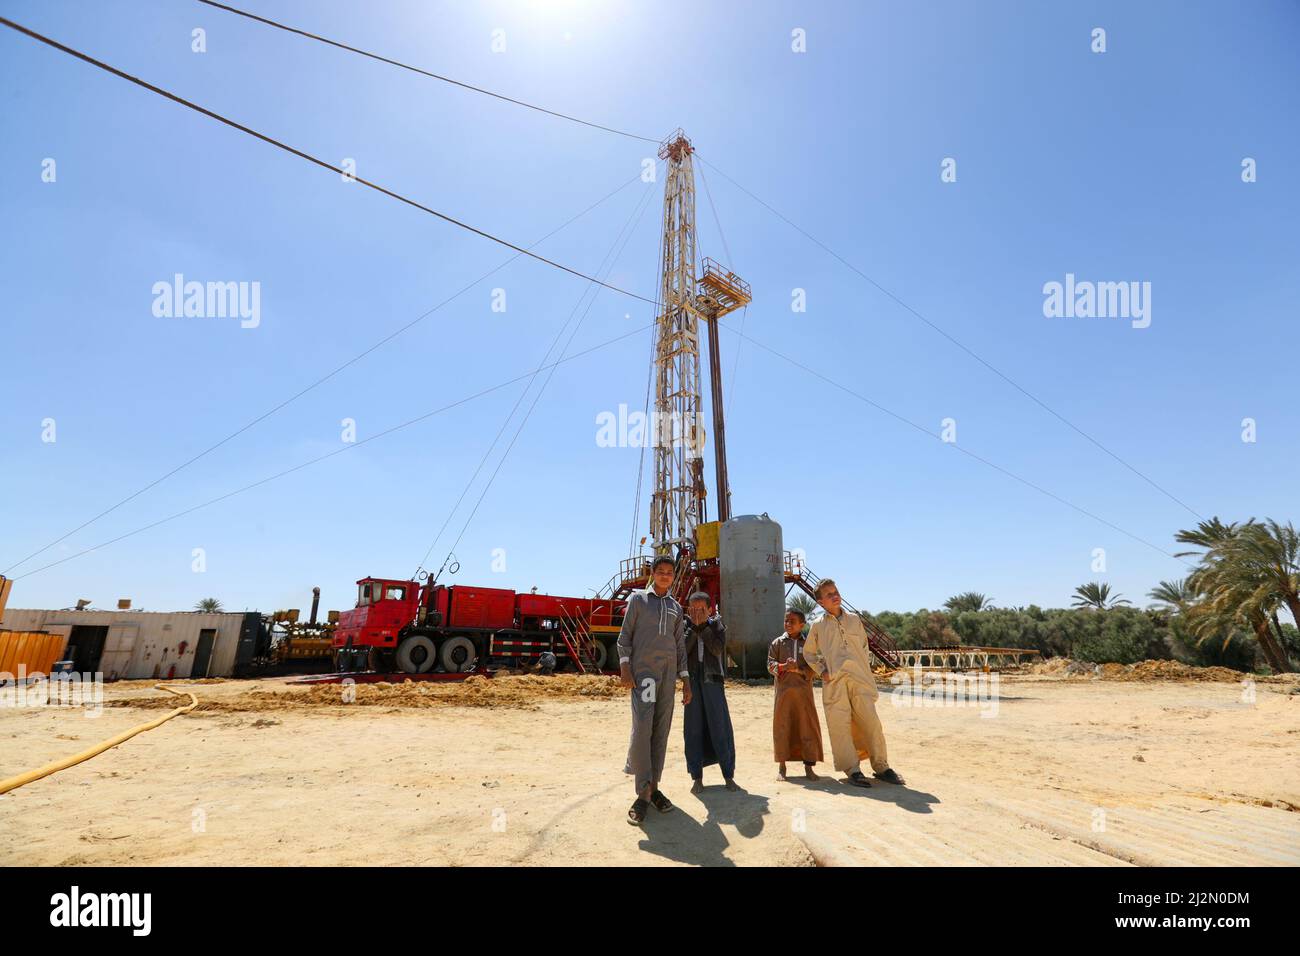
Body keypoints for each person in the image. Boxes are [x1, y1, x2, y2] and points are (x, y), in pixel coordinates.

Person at [803, 579, 905, 788]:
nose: (834, 595)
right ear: (821, 602)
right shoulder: (818, 626)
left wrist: (862, 669)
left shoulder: (854, 620)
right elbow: (808, 653)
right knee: (839, 726)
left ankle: (882, 767)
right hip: (835, 683)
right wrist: (822, 671)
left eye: (836, 591)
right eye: (829, 594)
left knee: (872, 723)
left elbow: (864, 647)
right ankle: (853, 770)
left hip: (860, 680)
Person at [617, 555, 691, 825]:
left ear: (673, 576)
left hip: (668, 678)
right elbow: (624, 638)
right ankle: (642, 793)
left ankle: (655, 787)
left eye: (669, 572)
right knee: (643, 728)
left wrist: (685, 679)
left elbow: (680, 646)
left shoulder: (675, 607)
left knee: (661, 731)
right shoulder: (638, 600)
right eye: (659, 571)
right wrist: (626, 668)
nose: (664, 576)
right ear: (653, 574)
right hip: (645, 677)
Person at [681, 592, 738, 794]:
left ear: (710, 610)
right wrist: (694, 628)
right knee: (693, 730)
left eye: (701, 610)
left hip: (713, 682)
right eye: (693, 610)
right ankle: (697, 778)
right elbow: (683, 651)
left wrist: (703, 627)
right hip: (692, 683)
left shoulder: (717, 626)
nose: (697, 613)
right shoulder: (684, 628)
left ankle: (728, 776)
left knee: (720, 727)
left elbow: (716, 649)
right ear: (688, 610)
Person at [768, 609, 823, 780]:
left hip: (803, 695)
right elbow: (770, 665)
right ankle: (782, 767)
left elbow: (813, 668)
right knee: (782, 727)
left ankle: (809, 768)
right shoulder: (777, 643)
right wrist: (783, 667)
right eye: (786, 621)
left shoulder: (807, 644)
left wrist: (797, 669)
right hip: (783, 694)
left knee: (807, 727)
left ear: (802, 625)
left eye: (792, 621)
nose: (788, 624)